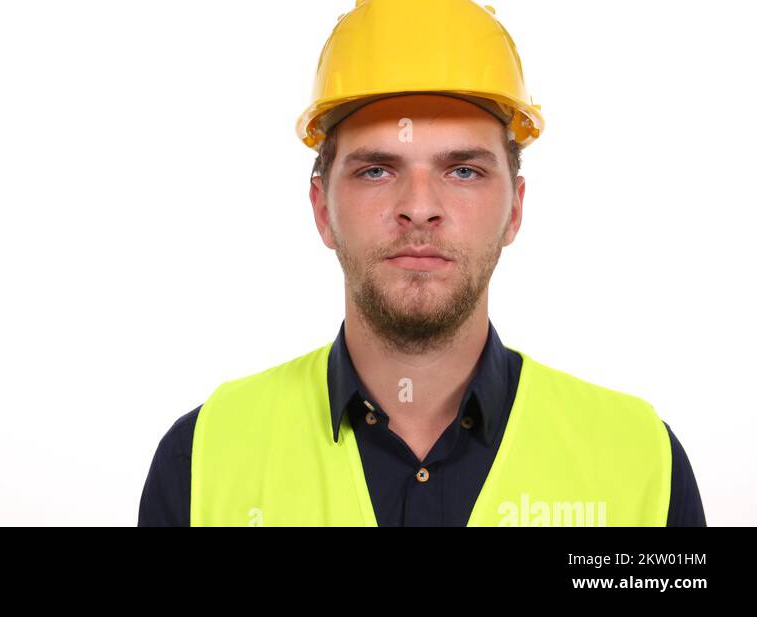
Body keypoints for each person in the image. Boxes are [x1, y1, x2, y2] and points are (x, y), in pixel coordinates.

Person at [138, 0, 705, 526]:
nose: (418, 208)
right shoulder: (201, 462)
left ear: (515, 210)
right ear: (322, 210)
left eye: (463, 170)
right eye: (376, 170)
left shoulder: (641, 467)